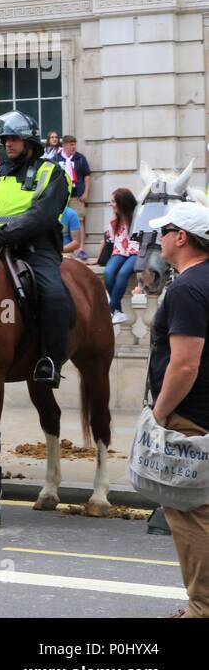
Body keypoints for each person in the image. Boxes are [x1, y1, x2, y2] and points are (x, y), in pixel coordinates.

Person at [0, 110, 72, 388]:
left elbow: (43, 214)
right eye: (5, 140)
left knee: (54, 294)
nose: (8, 144)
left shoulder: (52, 173)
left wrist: (6, 235)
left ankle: (51, 360)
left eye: (14, 139)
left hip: (35, 249)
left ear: (30, 142)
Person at [145, 201, 209, 618]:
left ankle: (202, 607)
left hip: (191, 416)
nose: (158, 240)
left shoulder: (186, 288)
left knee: (191, 514)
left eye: (163, 232)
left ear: (181, 237)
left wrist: (159, 415)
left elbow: (185, 364)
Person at [102, 188, 141, 323]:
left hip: (136, 252)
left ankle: (111, 309)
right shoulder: (115, 221)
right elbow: (109, 240)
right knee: (108, 272)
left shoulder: (138, 218)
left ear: (122, 203)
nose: (111, 204)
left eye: (114, 201)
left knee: (123, 273)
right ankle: (117, 310)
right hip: (119, 251)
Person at [58, 135, 92, 251]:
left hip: (76, 194)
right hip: (61, 195)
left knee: (79, 220)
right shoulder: (56, 158)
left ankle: (81, 248)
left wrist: (86, 192)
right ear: (64, 146)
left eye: (75, 144)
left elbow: (87, 175)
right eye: (71, 145)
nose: (74, 147)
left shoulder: (80, 158)